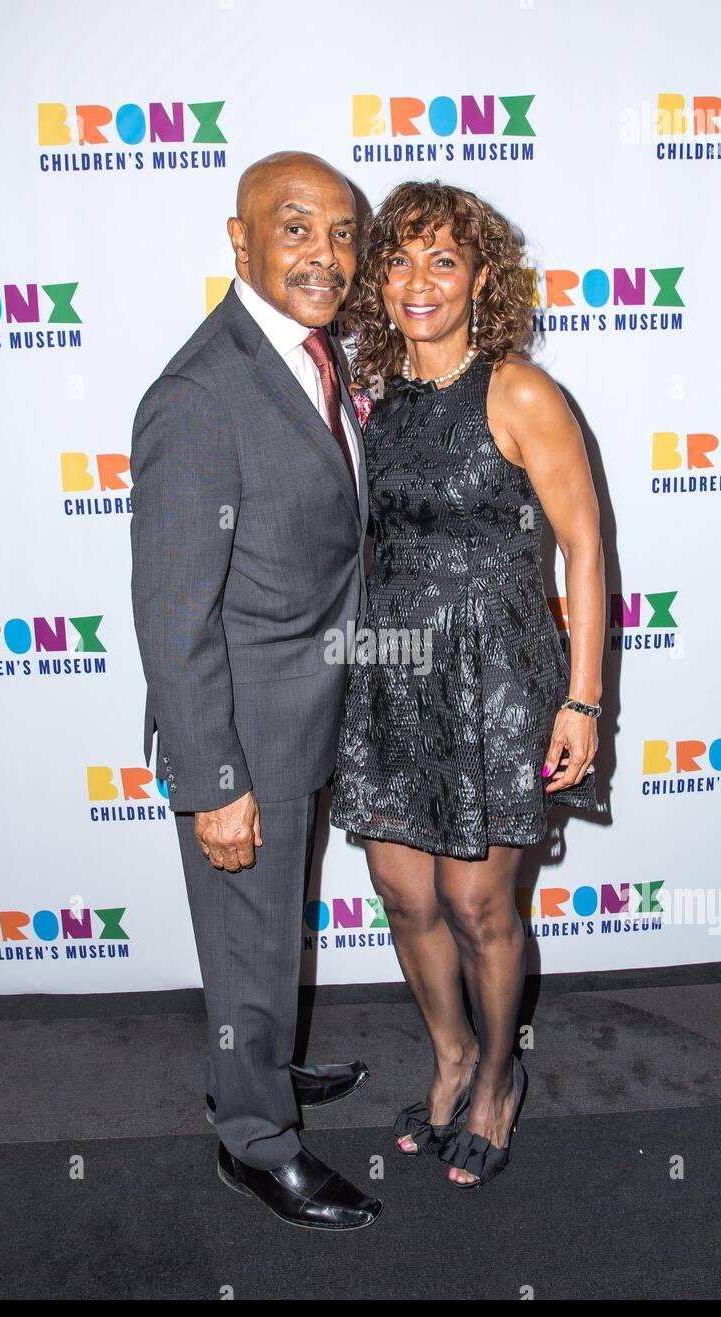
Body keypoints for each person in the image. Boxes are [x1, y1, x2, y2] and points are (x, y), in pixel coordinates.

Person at [330, 180, 604, 1188]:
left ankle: (497, 1077)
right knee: (403, 895)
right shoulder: (360, 394)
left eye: (442, 259)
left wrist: (582, 699)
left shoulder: (516, 390)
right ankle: (445, 1054)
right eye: (398, 258)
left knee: (479, 906)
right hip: (389, 673)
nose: (416, 281)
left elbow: (582, 546)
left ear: (480, 276)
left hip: (493, 677)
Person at [129, 151, 381, 1230]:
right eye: (295, 230)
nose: (324, 255)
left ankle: (259, 1065)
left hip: (302, 710)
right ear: (239, 243)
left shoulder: (306, 356)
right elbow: (173, 614)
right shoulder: (201, 391)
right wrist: (214, 775)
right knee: (247, 938)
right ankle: (254, 1139)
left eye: (339, 233)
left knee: (268, 935)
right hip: (242, 732)